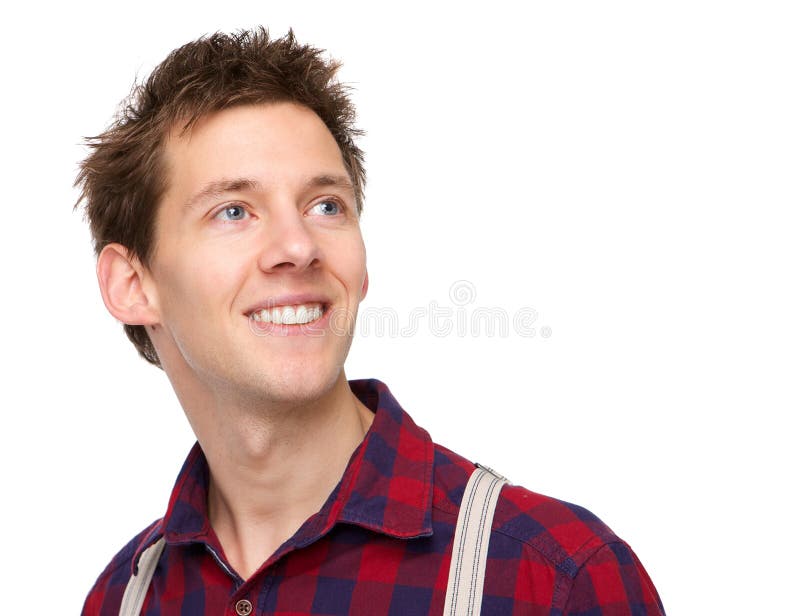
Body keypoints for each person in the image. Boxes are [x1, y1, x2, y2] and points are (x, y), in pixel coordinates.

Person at [76, 27, 666, 615]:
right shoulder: (120, 598)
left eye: (325, 205)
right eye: (234, 211)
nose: (299, 246)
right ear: (132, 286)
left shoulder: (557, 580)